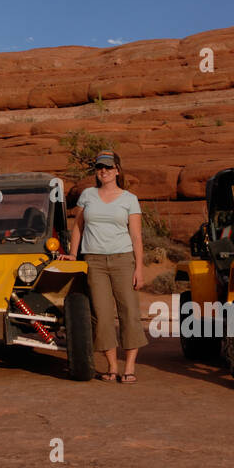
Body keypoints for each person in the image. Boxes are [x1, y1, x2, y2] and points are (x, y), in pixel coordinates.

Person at [65, 151, 147, 383]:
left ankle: (129, 367)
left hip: (123, 260)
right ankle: (112, 366)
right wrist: (73, 254)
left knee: (129, 312)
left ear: (117, 171)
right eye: (100, 167)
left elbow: (136, 236)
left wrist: (139, 268)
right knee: (101, 315)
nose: (104, 171)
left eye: (109, 168)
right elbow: (78, 228)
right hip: (94, 261)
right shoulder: (87, 196)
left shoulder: (129, 198)